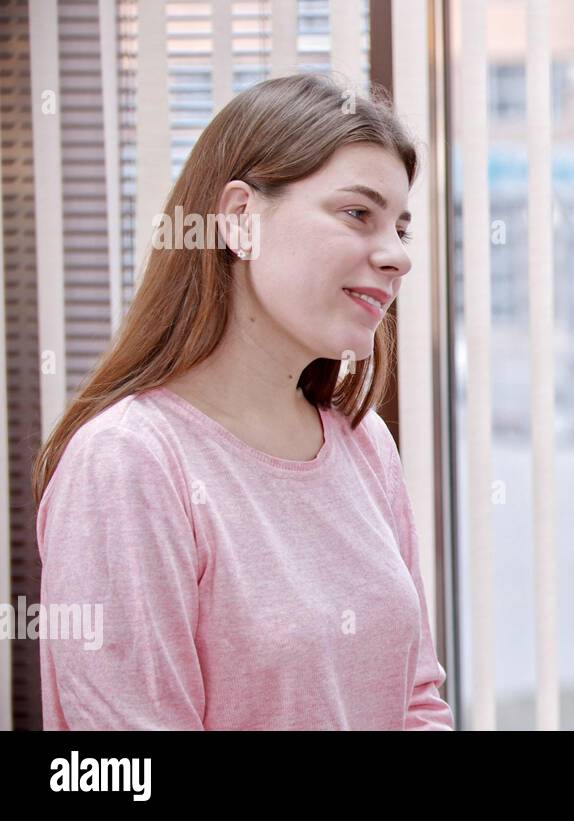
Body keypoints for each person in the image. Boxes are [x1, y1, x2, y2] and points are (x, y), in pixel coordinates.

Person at [34, 73, 453, 730]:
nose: (397, 255)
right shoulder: (128, 464)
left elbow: (416, 700)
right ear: (239, 219)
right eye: (357, 214)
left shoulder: (364, 442)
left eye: (400, 227)